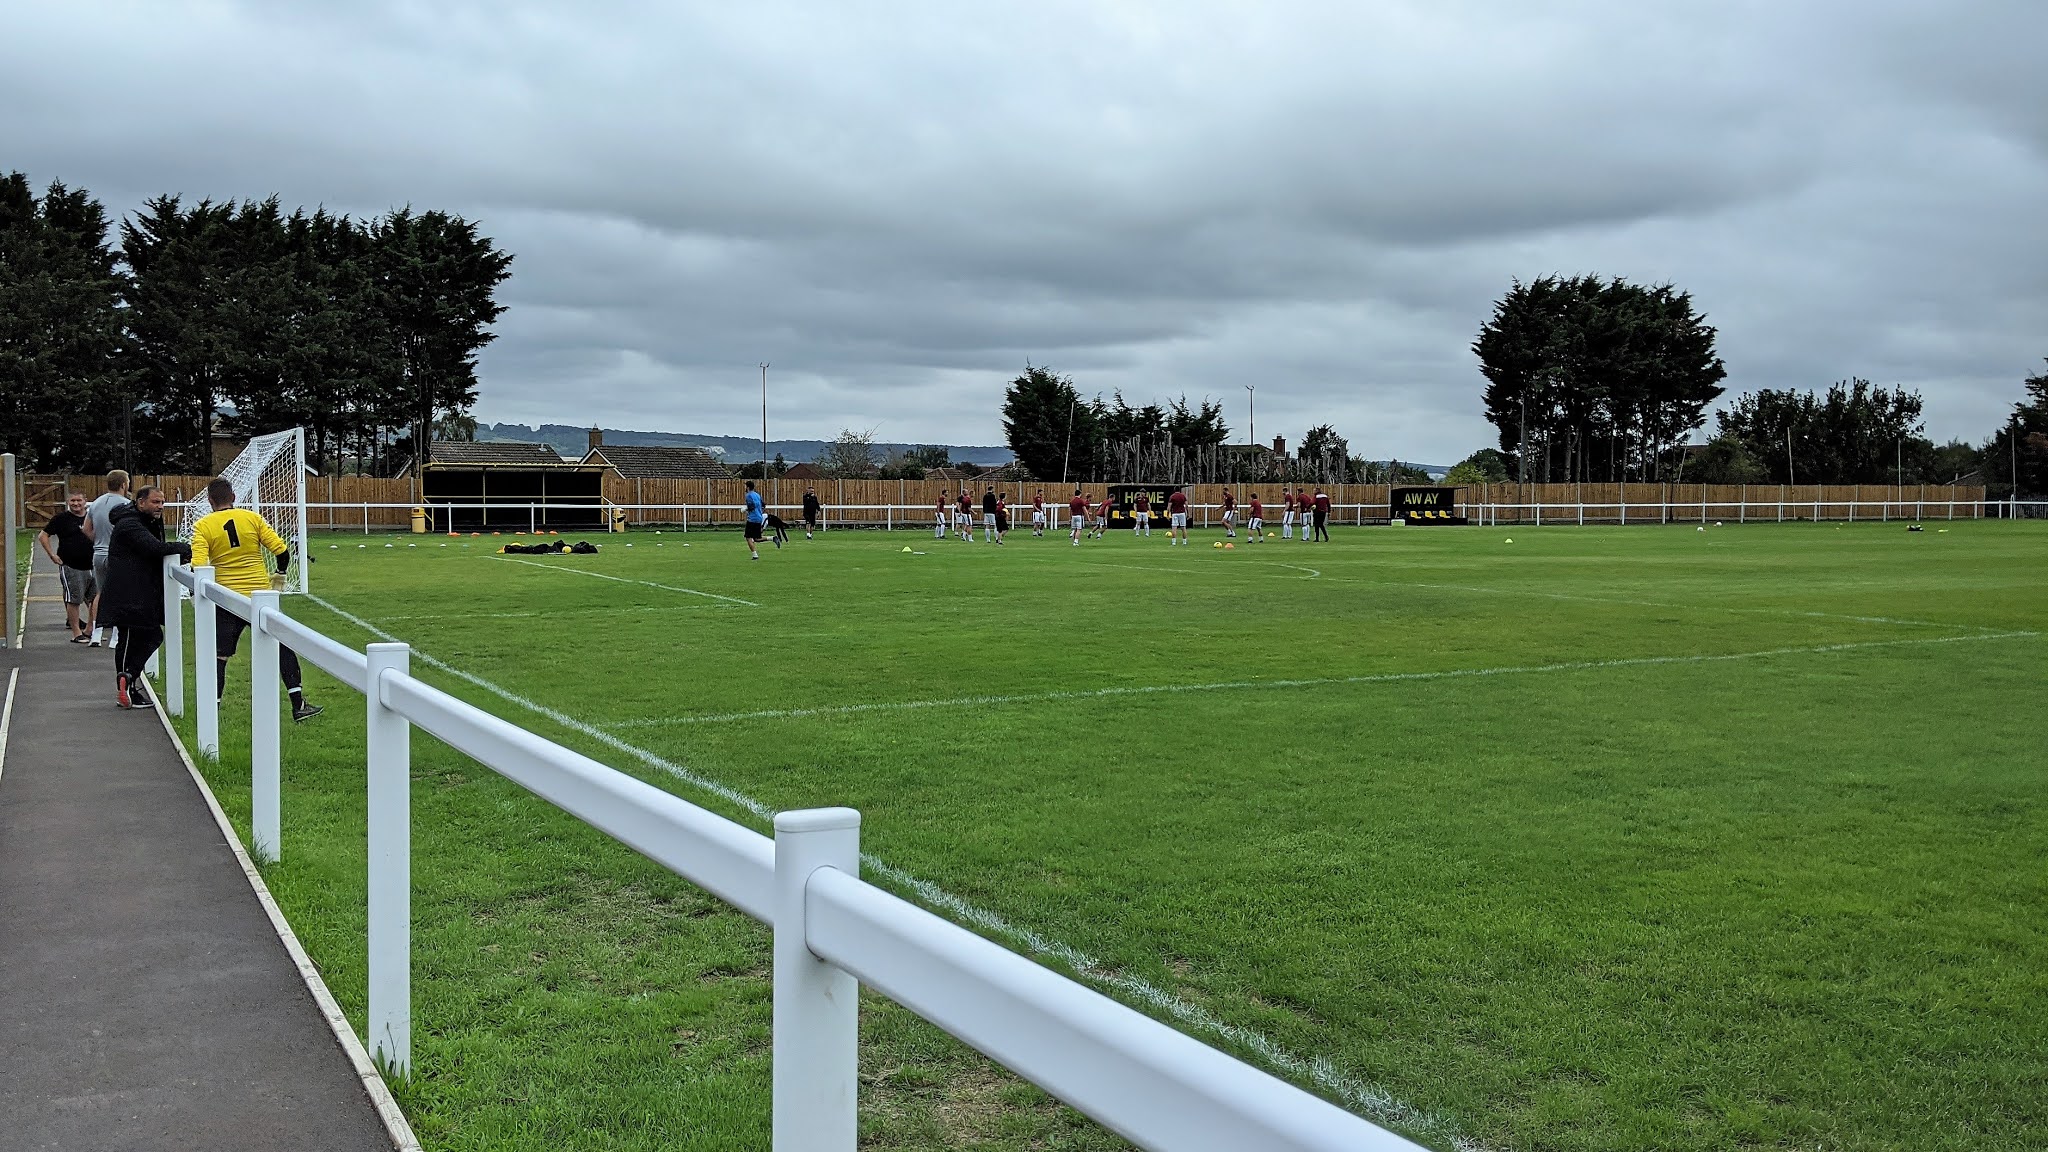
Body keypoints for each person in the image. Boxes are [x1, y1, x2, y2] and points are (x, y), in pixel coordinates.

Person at [190, 478, 322, 723]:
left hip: (227, 598)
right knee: (282, 646)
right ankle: (298, 704)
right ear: (235, 497)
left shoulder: (203, 526)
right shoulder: (252, 518)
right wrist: (280, 574)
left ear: (210, 501)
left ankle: (212, 711)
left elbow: (198, 565)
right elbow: (282, 551)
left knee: (220, 655)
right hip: (259, 597)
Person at [95, 485, 190, 709]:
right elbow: (154, 548)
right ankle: (127, 678)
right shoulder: (130, 524)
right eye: (155, 502)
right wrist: (184, 547)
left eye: (162, 502)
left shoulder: (143, 522)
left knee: (135, 640)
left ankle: (127, 682)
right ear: (140, 502)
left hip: (138, 592)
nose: (160, 507)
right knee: (144, 637)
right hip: (128, 594)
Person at [39, 491, 97, 642]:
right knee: (74, 599)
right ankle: (76, 633)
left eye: (79, 500)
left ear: (85, 501)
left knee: (94, 599)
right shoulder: (61, 519)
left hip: (93, 564)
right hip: (71, 565)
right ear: (68, 502)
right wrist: (52, 554)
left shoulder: (92, 517)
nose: (76, 504)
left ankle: (90, 630)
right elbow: (43, 536)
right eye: (73, 501)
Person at [82, 469, 130, 647]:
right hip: (117, 555)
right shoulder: (126, 504)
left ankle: (96, 632)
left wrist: (98, 541)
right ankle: (116, 636)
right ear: (124, 485)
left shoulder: (95, 503)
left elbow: (86, 529)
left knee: (100, 593)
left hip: (98, 553)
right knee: (120, 593)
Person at [742, 480, 771, 559]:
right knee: (756, 538)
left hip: (752, 519)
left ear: (747, 487)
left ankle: (755, 555)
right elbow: (763, 505)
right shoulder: (757, 495)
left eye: (745, 486)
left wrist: (745, 508)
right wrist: (759, 512)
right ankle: (772, 538)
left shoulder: (748, 495)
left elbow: (751, 506)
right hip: (759, 518)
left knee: (748, 537)